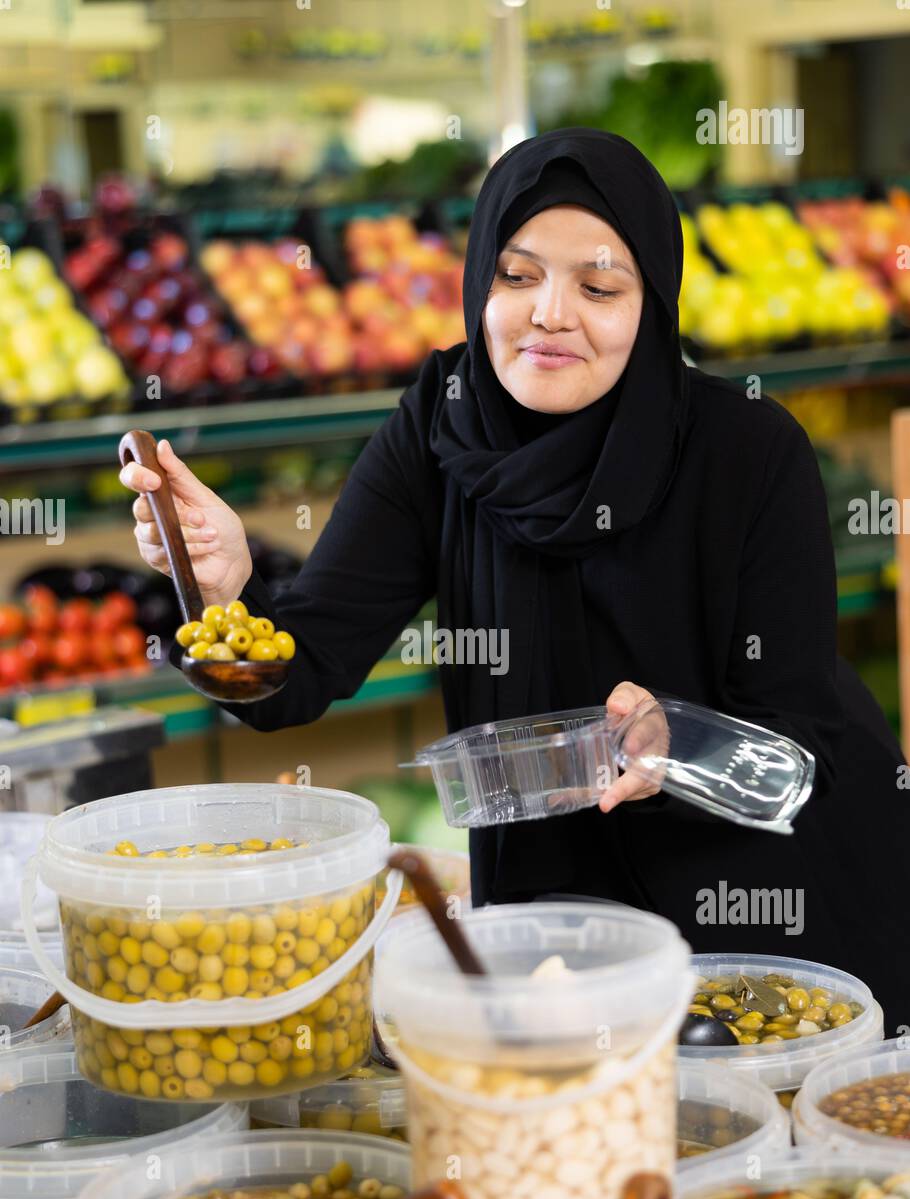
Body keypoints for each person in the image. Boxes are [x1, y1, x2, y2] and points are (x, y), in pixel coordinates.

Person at [121, 128, 909, 1031]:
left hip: (763, 919)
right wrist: (223, 592)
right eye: (517, 276)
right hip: (551, 926)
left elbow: (795, 751)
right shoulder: (439, 429)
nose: (550, 314)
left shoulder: (749, 453)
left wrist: (676, 738)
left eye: (600, 287)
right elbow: (297, 677)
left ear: (653, 302)